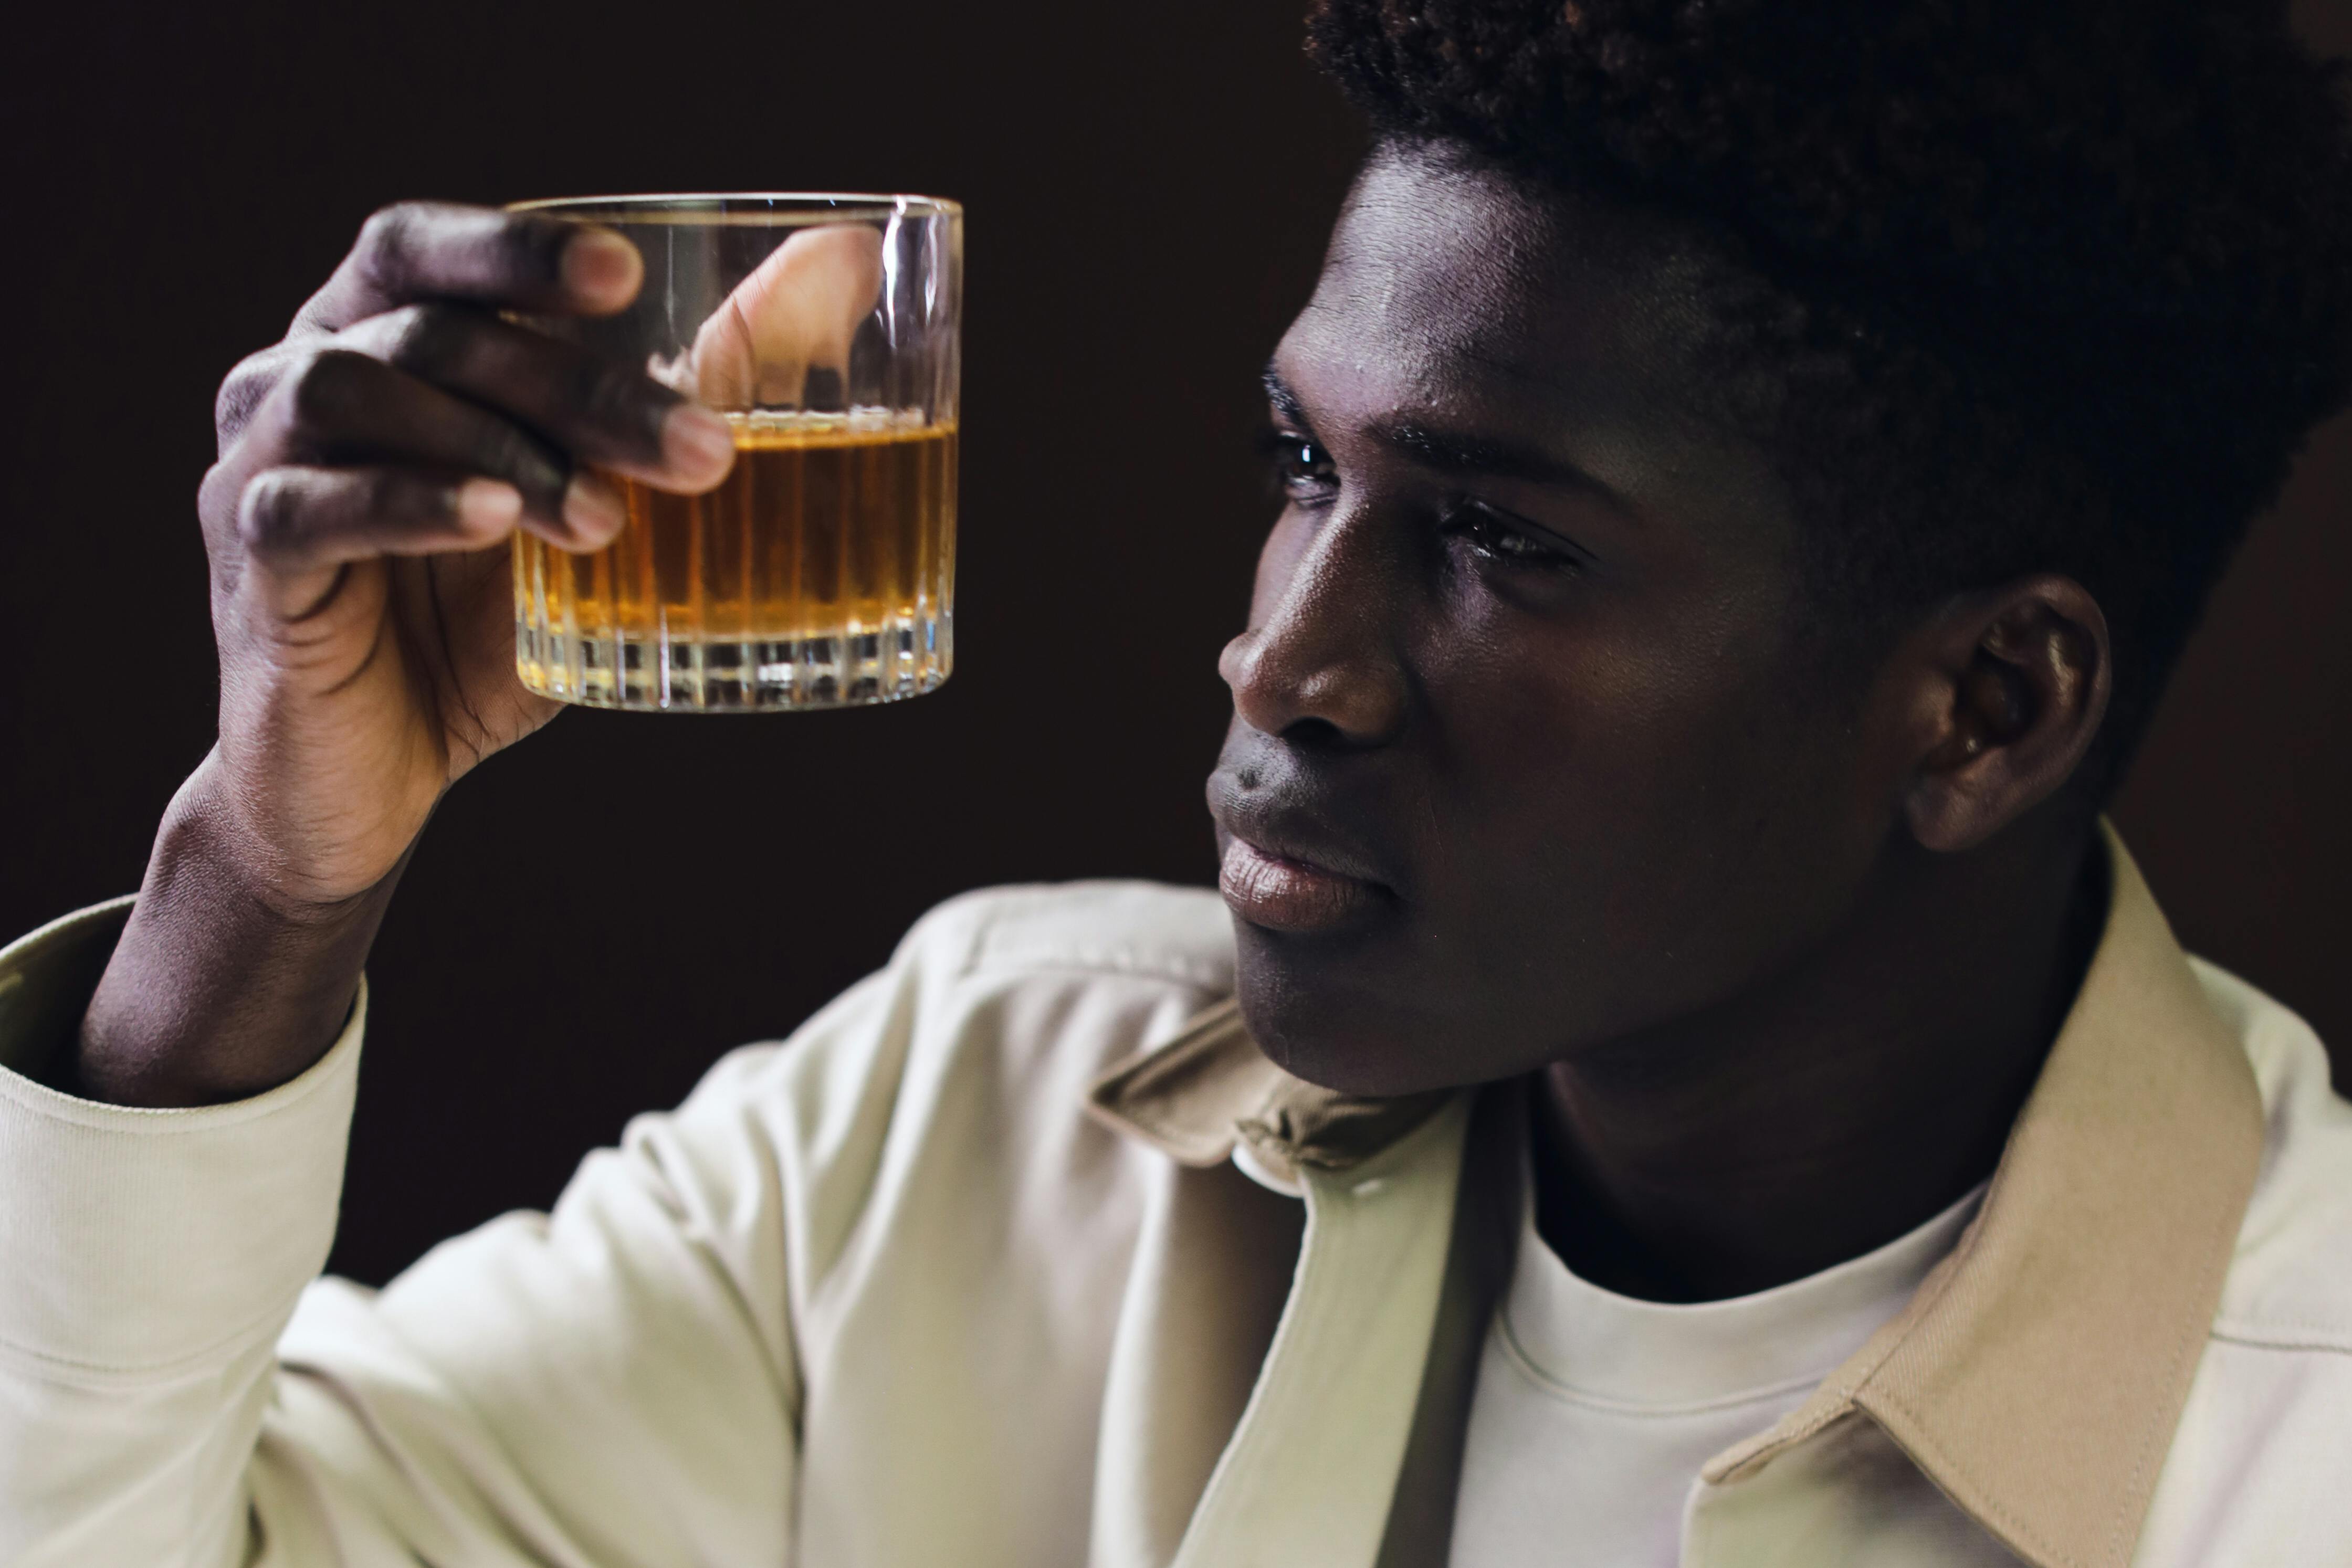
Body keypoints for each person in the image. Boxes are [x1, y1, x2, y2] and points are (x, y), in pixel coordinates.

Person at [5, 0, 2350, 1562]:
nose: (1284, 652)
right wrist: (262, 890)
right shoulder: (970, 1122)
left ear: (1987, 710)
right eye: (1293, 466)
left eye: (1504, 540)